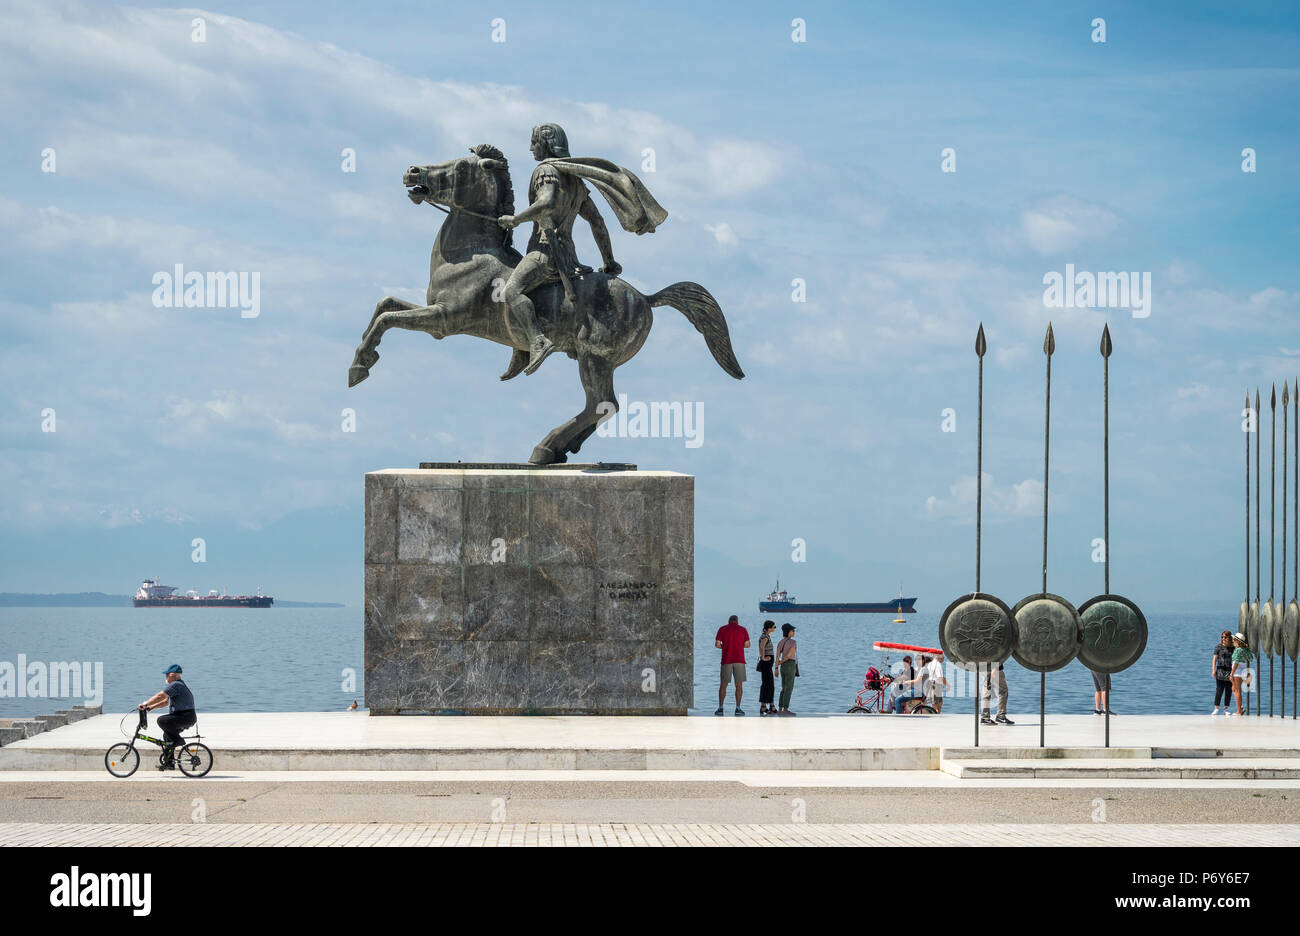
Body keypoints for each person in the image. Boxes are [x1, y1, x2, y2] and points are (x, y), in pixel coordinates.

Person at [138, 664, 196, 767]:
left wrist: (145, 703)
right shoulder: (178, 685)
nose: (165, 677)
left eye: (167, 675)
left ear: (172, 675)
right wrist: (150, 707)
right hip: (186, 717)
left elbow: (160, 696)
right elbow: (165, 702)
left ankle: (178, 740)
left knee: (162, 720)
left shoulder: (176, 685)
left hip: (185, 716)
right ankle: (169, 763)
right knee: (167, 736)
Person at [715, 614, 751, 716]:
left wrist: (725, 647)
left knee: (723, 684)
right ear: (737, 621)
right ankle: (738, 708)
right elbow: (747, 645)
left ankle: (721, 708)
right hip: (739, 660)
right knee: (739, 685)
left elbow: (717, 644)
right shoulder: (743, 629)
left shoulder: (722, 629)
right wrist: (739, 646)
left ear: (729, 620)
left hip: (726, 660)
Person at [775, 623, 799, 716]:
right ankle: (786, 708)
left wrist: (776, 667)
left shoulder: (780, 642)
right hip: (790, 664)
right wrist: (781, 662)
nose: (794, 632)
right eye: (793, 630)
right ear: (788, 632)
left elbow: (777, 656)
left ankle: (780, 708)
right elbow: (789, 656)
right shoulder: (793, 642)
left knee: (783, 687)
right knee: (789, 687)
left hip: (782, 667)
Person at [1229, 632, 1254, 717]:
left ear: (1237, 641)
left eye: (1234, 640)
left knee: (1237, 691)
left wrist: (1231, 674)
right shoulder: (1246, 649)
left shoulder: (1237, 650)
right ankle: (1241, 707)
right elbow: (1251, 659)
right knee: (1234, 689)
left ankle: (1239, 711)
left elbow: (1235, 663)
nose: (1233, 641)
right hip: (1244, 671)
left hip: (1237, 672)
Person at [980, 661, 1013, 725]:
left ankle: (985, 718)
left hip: (983, 667)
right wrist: (994, 668)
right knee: (1003, 691)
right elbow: (994, 653)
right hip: (994, 669)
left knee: (986, 691)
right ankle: (1001, 717)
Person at [1211, 630, 1236, 715]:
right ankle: (1216, 708)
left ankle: (1226, 709)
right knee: (1219, 690)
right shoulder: (1218, 647)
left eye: (1225, 637)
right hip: (1220, 671)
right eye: (1222, 637)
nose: (1223, 639)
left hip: (1230, 671)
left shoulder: (1233, 647)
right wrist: (1213, 670)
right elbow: (1214, 659)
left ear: (1229, 638)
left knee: (1228, 691)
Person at [756, 620, 777, 715]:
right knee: (768, 684)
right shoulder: (765, 637)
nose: (775, 628)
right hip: (766, 663)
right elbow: (761, 646)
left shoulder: (766, 636)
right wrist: (763, 657)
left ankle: (765, 705)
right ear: (769, 628)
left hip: (768, 663)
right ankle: (768, 705)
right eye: (774, 627)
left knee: (767, 684)